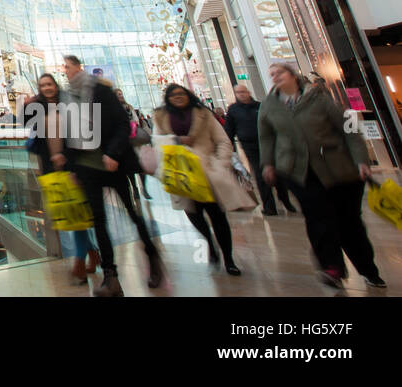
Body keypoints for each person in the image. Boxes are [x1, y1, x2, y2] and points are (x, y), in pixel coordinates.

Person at [258, 62, 385, 289]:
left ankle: (368, 269)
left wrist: (361, 160)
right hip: (300, 171)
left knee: (349, 223)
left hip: (338, 169)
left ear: (293, 75)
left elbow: (349, 129)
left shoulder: (319, 98)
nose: (274, 76)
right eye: (271, 74)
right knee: (319, 221)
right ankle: (332, 268)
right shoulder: (269, 105)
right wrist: (268, 164)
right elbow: (266, 137)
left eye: (279, 72)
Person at [60, 55, 163, 297]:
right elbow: (68, 132)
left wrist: (113, 153)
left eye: (68, 66)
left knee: (131, 212)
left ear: (78, 67)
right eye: (63, 67)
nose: (65, 71)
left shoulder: (101, 90)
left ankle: (152, 254)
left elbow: (122, 125)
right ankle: (110, 275)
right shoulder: (67, 97)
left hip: (112, 163)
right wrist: (72, 168)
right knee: (99, 220)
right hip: (87, 166)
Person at [153, 84, 243, 276]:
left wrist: (221, 163)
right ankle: (209, 242)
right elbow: (157, 142)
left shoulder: (203, 113)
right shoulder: (161, 117)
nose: (178, 97)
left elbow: (223, 140)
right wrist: (176, 141)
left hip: (207, 172)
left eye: (181, 93)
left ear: (189, 95)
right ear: (167, 98)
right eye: (173, 95)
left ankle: (229, 259)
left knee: (218, 216)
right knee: (194, 214)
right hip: (181, 174)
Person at [26, 73, 99, 285]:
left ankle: (78, 263)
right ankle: (92, 252)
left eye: (49, 84)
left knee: (75, 214)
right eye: (42, 85)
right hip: (49, 166)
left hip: (71, 165)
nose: (46, 88)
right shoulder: (37, 106)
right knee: (66, 212)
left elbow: (78, 135)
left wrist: (70, 160)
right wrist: (26, 106)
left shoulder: (68, 103)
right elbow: (27, 126)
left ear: (55, 86)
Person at [225, 83, 295, 216]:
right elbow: (229, 130)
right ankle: (269, 206)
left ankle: (285, 200)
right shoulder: (233, 110)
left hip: (267, 144)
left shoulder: (259, 106)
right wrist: (229, 148)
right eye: (238, 92)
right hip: (250, 147)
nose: (242, 94)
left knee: (278, 173)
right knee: (260, 174)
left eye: (243, 92)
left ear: (248, 92)